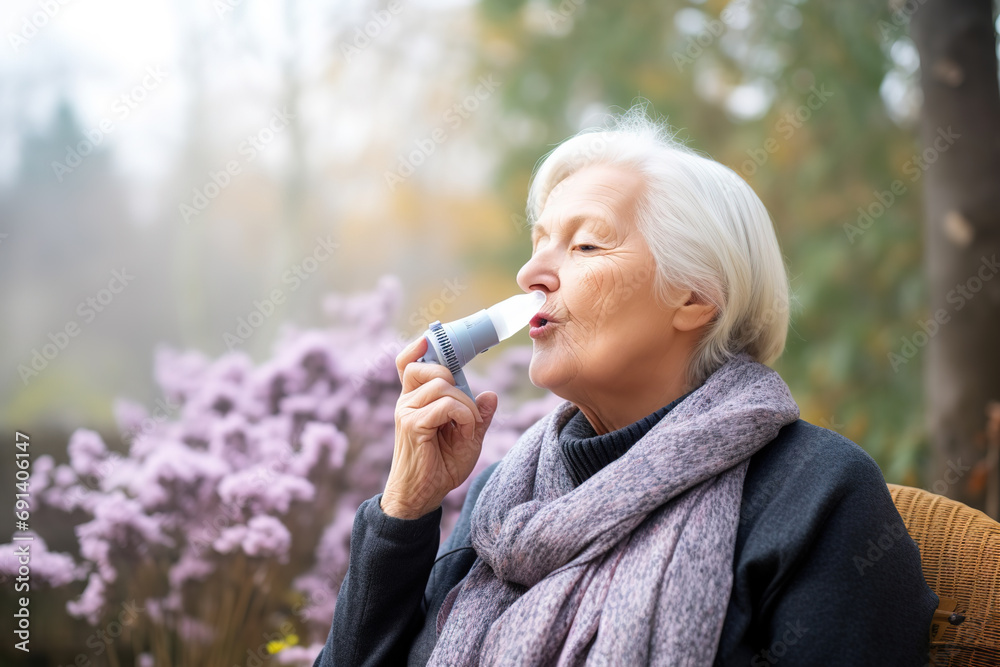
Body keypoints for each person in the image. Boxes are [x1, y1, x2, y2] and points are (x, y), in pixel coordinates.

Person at [313, 104, 938, 666]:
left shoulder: (813, 493)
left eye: (585, 245)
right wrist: (405, 507)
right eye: (537, 246)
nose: (532, 273)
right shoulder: (503, 500)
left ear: (694, 296)